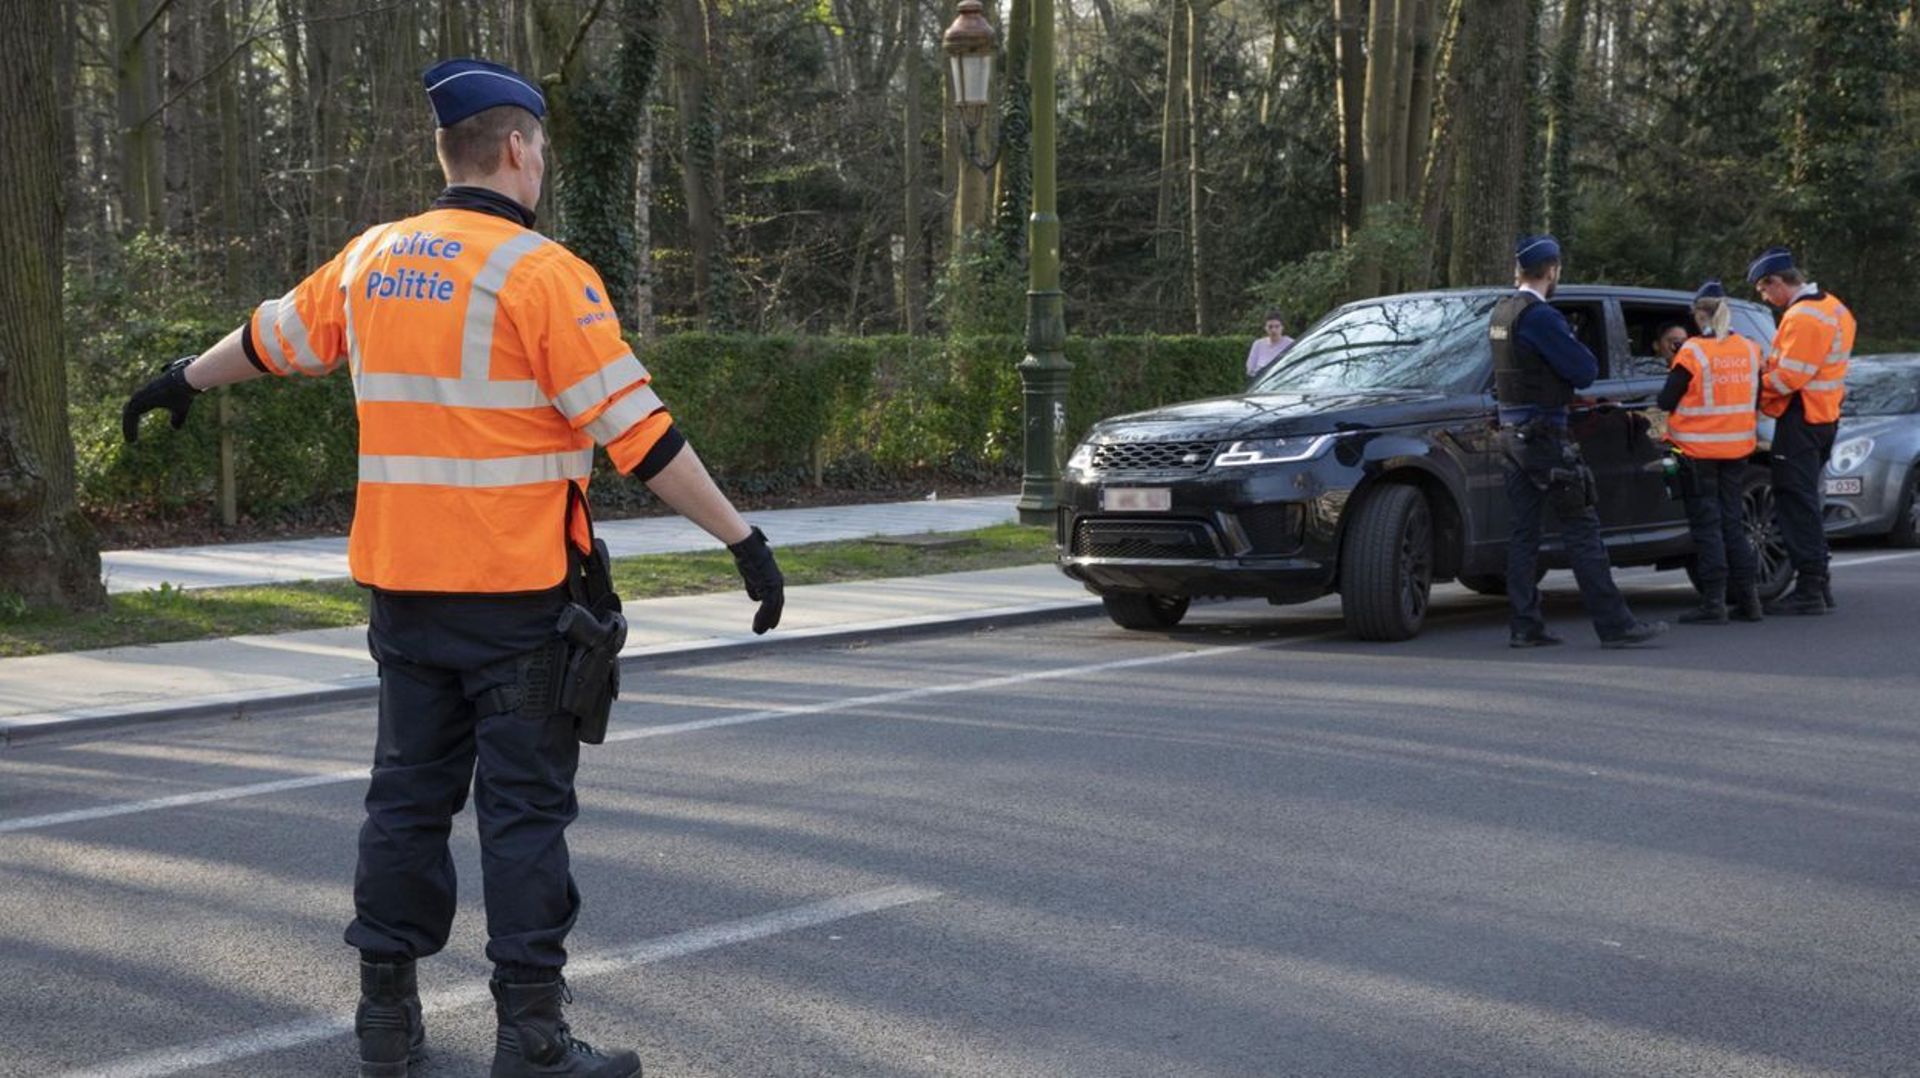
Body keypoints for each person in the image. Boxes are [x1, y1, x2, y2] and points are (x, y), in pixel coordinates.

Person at [120, 59, 784, 1078]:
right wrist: (741, 539)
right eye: (544, 148)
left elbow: (269, 337)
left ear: (450, 152)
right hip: (519, 602)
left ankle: (385, 1017)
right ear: (517, 148)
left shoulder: (372, 259)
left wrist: (179, 378)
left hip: (403, 594)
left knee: (405, 799)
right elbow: (638, 434)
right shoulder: (542, 274)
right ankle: (532, 1038)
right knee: (522, 815)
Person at [1492, 234, 1667, 649]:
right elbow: (1584, 370)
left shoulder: (1502, 312)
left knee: (1523, 534)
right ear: (1552, 270)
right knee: (1582, 529)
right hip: (1545, 436)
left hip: (1512, 437)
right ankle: (1615, 625)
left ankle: (1524, 625)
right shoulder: (1541, 317)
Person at [1747, 245, 1854, 615]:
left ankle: (1810, 584)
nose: (1766, 298)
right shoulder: (1834, 307)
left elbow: (1790, 375)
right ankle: (1818, 584)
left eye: (1764, 290)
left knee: (1796, 501)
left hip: (1801, 418)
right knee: (1805, 498)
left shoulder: (1804, 316)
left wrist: (1754, 388)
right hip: (1824, 417)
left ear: (1776, 282)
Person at [1657, 280, 1763, 624]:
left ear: (1699, 314)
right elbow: (1755, 397)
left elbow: (1665, 401)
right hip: (1737, 450)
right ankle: (1749, 601)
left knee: (1708, 526)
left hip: (1698, 452)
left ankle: (1714, 603)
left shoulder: (1692, 352)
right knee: (1734, 524)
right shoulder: (1749, 349)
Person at [1246, 310, 1294, 379]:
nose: (1273, 330)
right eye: (1270, 327)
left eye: (1277, 326)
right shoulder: (1258, 345)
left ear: (1282, 327)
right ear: (1265, 328)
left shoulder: (1290, 344)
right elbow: (1250, 370)